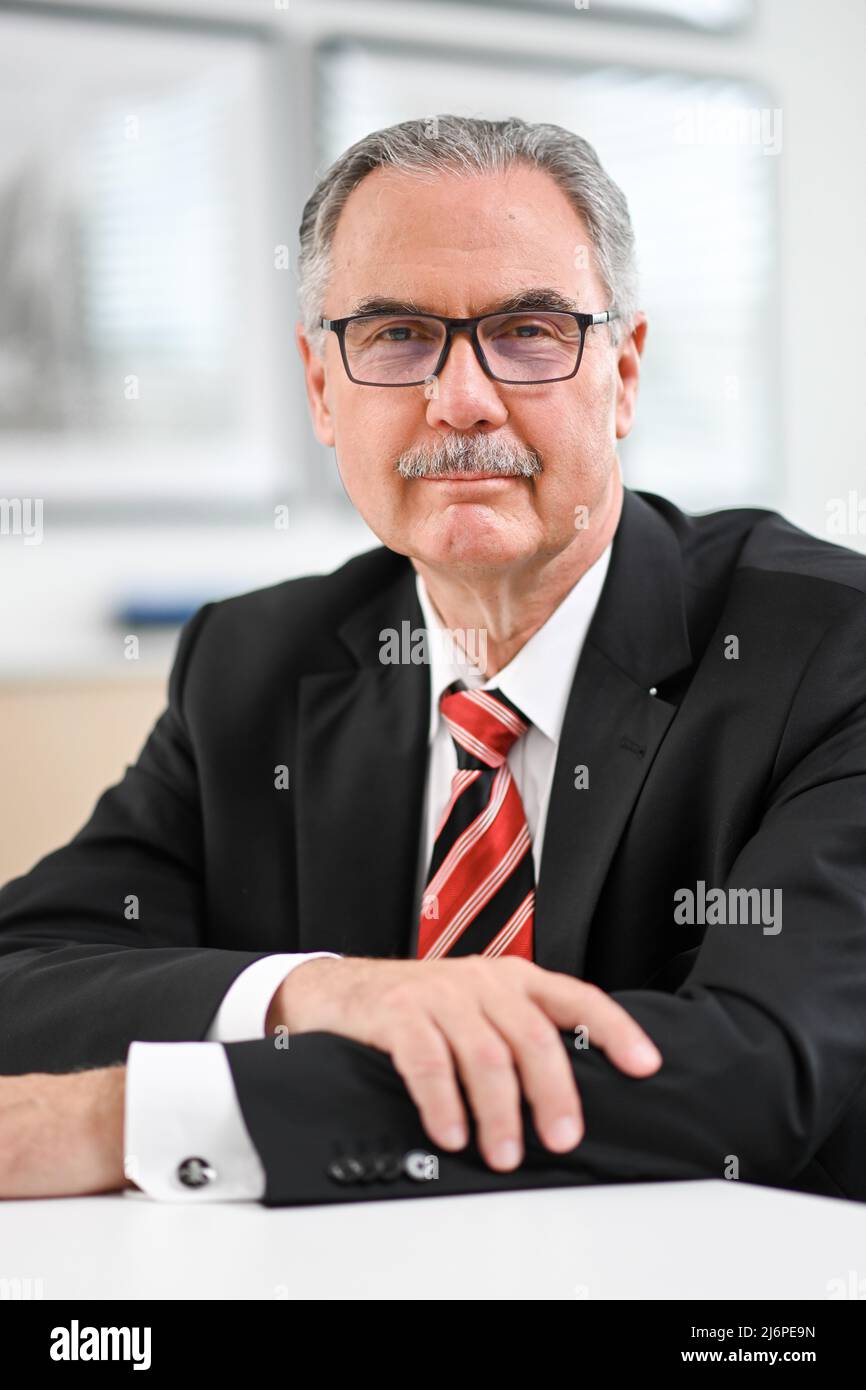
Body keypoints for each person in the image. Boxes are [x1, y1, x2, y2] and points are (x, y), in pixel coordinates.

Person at [1, 116, 865, 1208]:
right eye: (398, 334)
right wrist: (316, 992)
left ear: (624, 372)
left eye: (528, 330)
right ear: (322, 388)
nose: (460, 400)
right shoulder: (252, 665)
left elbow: (750, 1070)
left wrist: (135, 1118)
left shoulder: (829, 649)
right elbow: (25, 971)